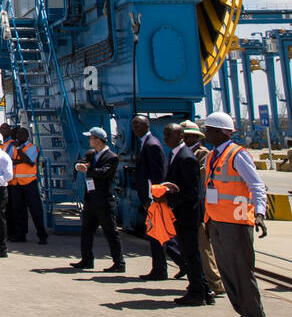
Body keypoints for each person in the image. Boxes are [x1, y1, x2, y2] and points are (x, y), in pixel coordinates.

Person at [200, 112, 269, 317]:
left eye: (208, 129)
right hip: (218, 221)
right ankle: (245, 315)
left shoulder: (237, 155)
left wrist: (259, 213)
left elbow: (257, 186)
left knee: (242, 272)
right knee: (228, 272)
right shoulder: (212, 156)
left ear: (221, 132)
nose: (205, 132)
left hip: (237, 223)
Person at [158, 122, 210, 306]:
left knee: (191, 254)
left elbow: (191, 191)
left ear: (180, 137)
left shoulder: (186, 157)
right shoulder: (176, 155)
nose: (165, 138)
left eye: (168, 135)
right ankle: (205, 290)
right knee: (190, 253)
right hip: (182, 212)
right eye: (164, 134)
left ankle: (198, 293)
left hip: (187, 213)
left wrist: (169, 200)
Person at [70, 127, 125, 272]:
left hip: (104, 200)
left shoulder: (112, 157)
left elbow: (104, 173)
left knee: (110, 231)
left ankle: (119, 262)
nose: (89, 140)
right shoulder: (90, 154)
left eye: (91, 138)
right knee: (86, 231)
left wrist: (88, 169)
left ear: (98, 140)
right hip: (91, 199)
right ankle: (87, 259)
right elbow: (79, 163)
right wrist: (78, 166)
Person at [183, 120, 225, 300]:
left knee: (203, 246)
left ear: (193, 137)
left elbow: (202, 182)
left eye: (184, 136)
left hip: (201, 207)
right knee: (194, 246)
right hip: (192, 206)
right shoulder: (187, 153)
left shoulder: (203, 155)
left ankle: (215, 283)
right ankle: (201, 280)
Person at [131, 115, 170, 281]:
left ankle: (161, 269)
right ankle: (162, 267)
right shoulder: (145, 144)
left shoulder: (151, 145)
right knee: (155, 234)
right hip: (150, 197)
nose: (135, 129)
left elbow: (157, 174)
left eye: (138, 125)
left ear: (147, 126)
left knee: (157, 235)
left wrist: (154, 196)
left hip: (154, 198)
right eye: (134, 126)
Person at [5, 126, 48, 245]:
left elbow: (29, 161)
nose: (19, 136)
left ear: (27, 136)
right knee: (18, 210)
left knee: (35, 210)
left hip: (29, 183)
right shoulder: (12, 148)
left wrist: (19, 151)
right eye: (18, 134)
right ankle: (20, 234)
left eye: (22, 134)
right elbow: (10, 161)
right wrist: (20, 159)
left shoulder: (32, 147)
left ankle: (42, 235)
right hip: (16, 183)